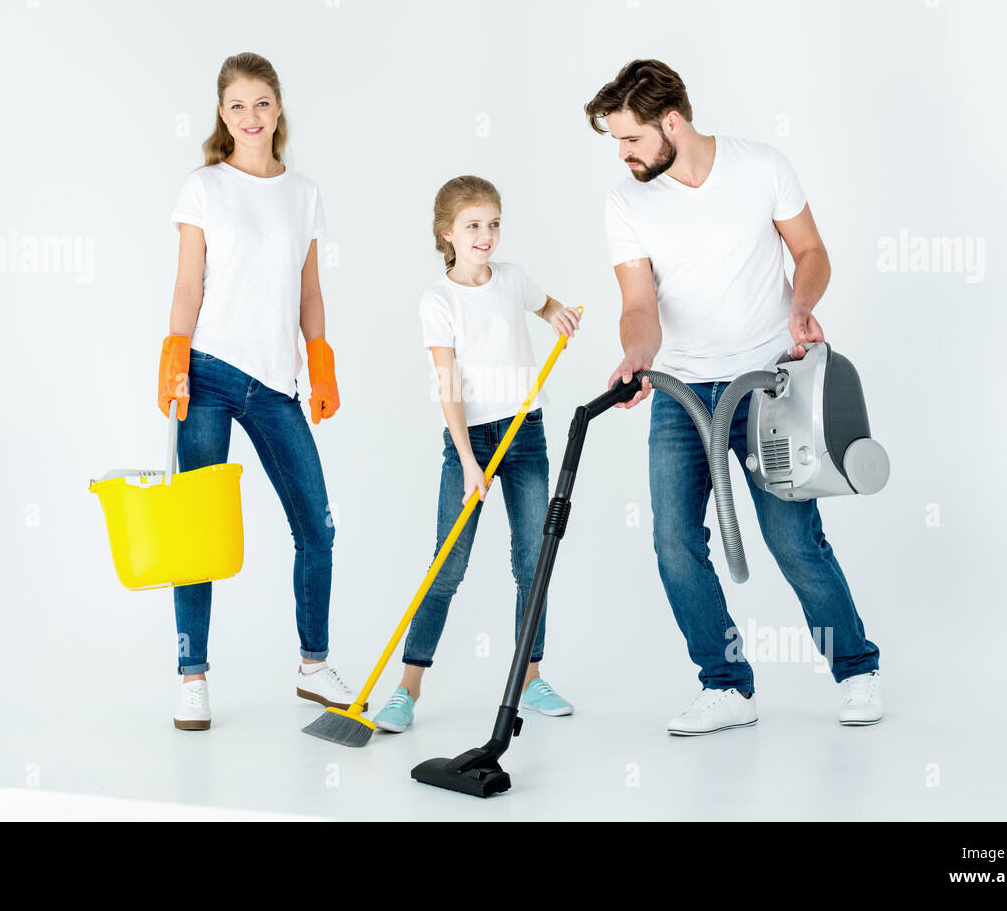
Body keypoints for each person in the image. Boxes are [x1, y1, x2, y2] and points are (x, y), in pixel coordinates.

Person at [586, 59, 882, 735]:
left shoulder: (760, 167)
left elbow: (810, 251)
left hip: (766, 385)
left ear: (672, 121)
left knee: (792, 539)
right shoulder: (627, 202)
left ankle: (856, 670)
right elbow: (638, 302)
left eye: (630, 138)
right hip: (683, 392)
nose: (623, 154)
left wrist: (801, 307)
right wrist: (638, 354)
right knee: (672, 540)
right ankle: (727, 685)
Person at [159, 51, 361, 730]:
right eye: (238, 105)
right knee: (197, 535)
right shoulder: (204, 187)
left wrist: (321, 361)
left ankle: (314, 665)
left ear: (279, 109)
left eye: (262, 103)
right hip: (209, 372)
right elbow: (190, 284)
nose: (251, 117)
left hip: (276, 383)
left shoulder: (302, 193)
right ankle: (193, 677)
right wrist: (174, 355)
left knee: (318, 527)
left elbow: (309, 290)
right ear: (223, 113)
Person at [371, 176, 582, 733]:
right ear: (448, 234)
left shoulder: (513, 280)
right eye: (473, 226)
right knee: (448, 566)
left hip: (525, 433)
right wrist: (466, 460)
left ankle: (529, 679)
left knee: (532, 563)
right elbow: (448, 386)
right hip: (472, 442)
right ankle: (407, 688)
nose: (486, 236)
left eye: (493, 224)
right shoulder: (438, 300)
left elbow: (548, 305)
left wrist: (561, 316)